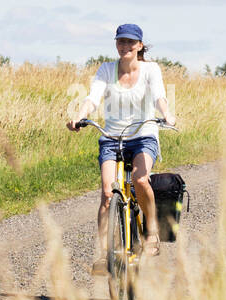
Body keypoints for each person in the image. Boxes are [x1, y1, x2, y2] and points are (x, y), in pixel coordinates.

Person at [67, 23, 176, 268]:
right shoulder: (106, 69)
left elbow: (159, 96)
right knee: (107, 193)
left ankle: (152, 230)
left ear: (139, 45)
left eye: (130, 42)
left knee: (140, 180)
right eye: (120, 41)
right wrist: (79, 115)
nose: (125, 46)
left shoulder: (151, 70)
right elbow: (92, 99)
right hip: (111, 137)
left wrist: (167, 114)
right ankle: (103, 255)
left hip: (143, 135)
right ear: (116, 44)